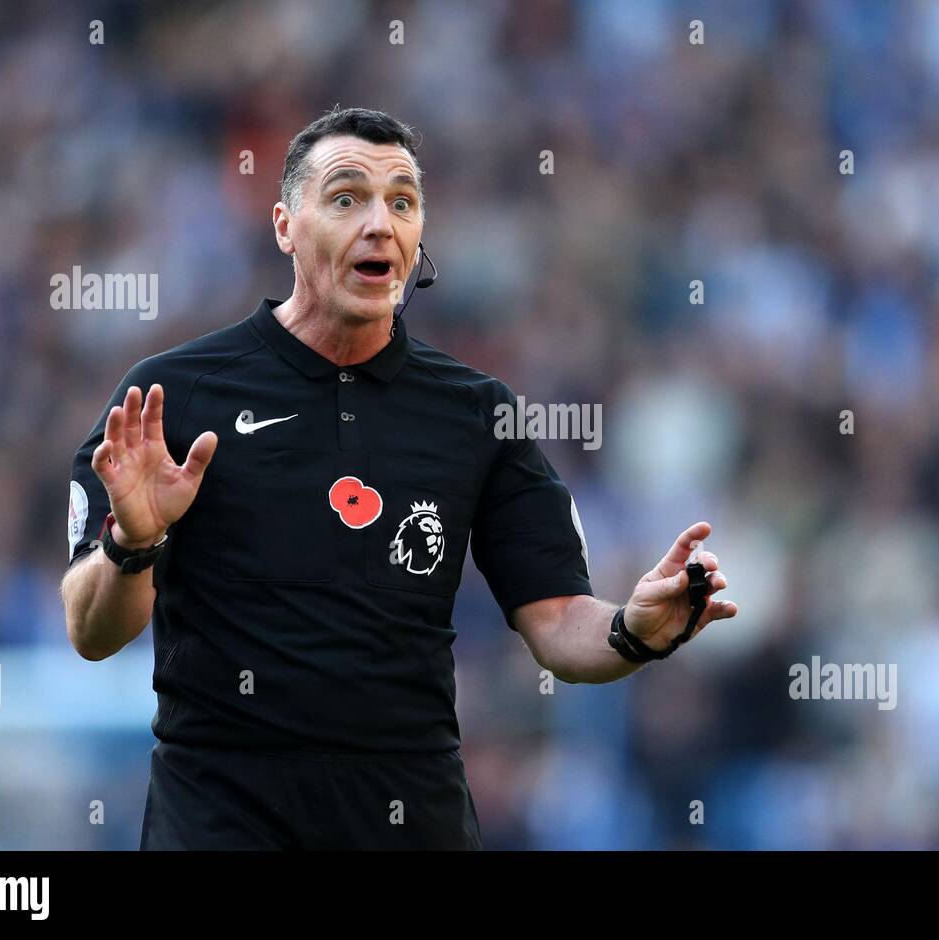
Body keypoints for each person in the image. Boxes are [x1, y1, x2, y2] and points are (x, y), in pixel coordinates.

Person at [59, 107, 737, 850]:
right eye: (347, 197)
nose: (380, 222)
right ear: (286, 226)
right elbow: (91, 633)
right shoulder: (172, 396)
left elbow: (557, 625)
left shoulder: (477, 414)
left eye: (402, 202)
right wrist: (134, 540)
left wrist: (632, 632)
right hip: (223, 816)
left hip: (411, 816)